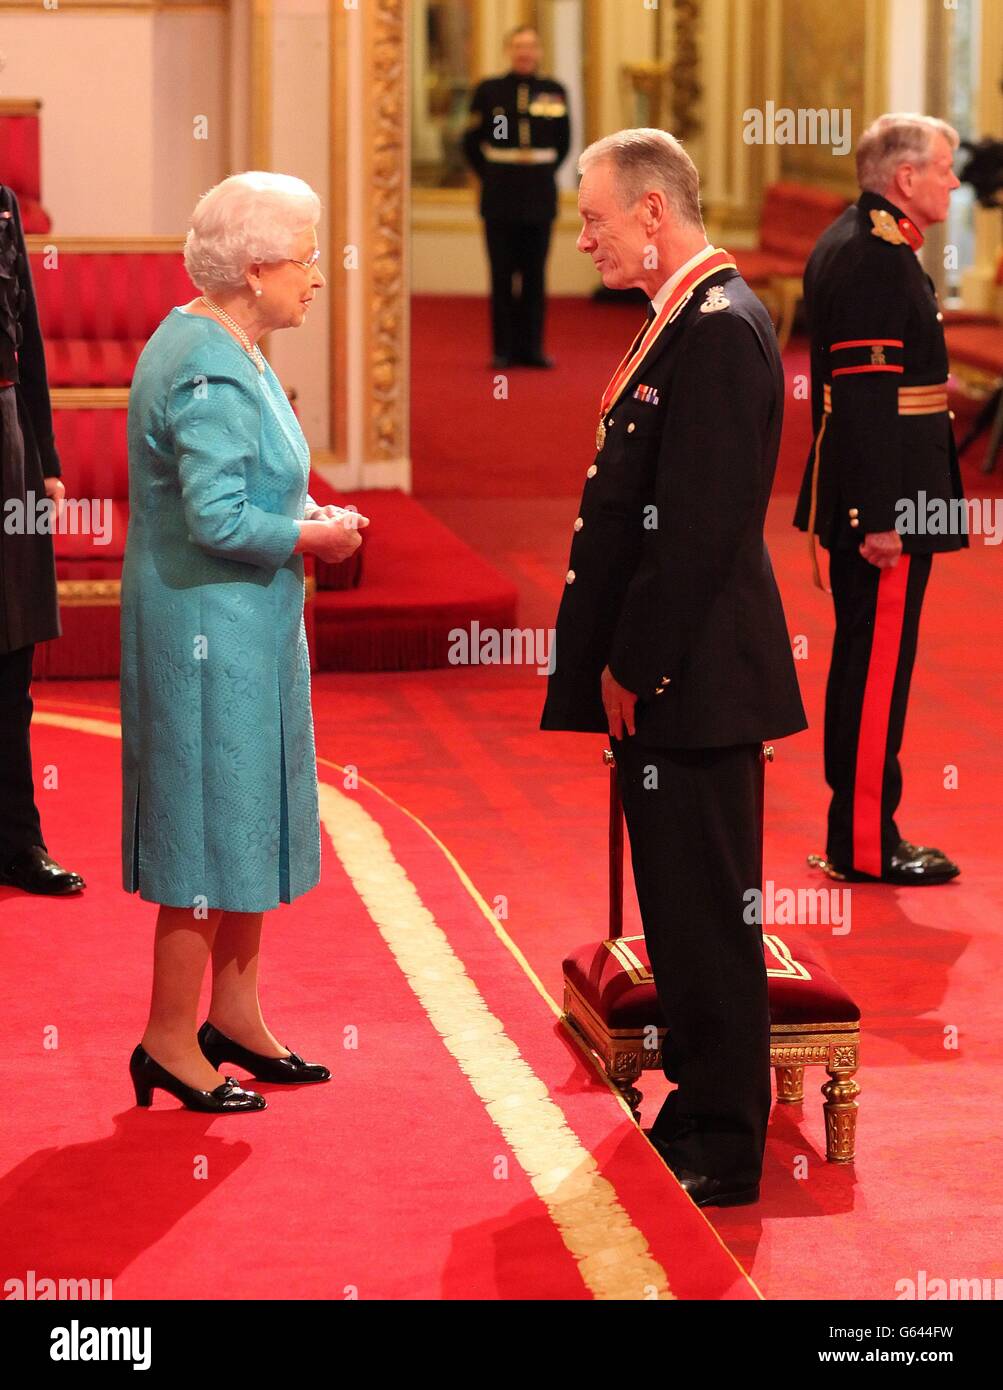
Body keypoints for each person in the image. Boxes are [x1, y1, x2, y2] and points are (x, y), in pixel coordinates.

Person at [541, 129, 806, 1208]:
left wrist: (633, 664)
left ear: (653, 212)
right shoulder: (680, 318)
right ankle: (696, 1102)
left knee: (705, 912)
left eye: (595, 218)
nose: (585, 237)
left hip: (691, 678)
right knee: (683, 907)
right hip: (675, 677)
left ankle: (723, 1136)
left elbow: (695, 530)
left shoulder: (717, 327)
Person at [122, 172, 367, 1114]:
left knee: (247, 809)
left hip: (242, 622)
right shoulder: (207, 362)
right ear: (255, 269)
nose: (315, 277)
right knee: (202, 827)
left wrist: (306, 508)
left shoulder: (234, 340)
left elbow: (256, 483)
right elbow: (219, 516)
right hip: (202, 629)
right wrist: (316, 536)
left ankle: (234, 1014)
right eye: (306, 260)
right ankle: (168, 1038)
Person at [794, 114, 965, 885]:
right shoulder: (873, 254)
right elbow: (862, 400)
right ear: (903, 179)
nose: (954, 183)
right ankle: (864, 843)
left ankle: (861, 830)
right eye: (943, 168)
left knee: (871, 665)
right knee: (874, 670)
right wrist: (881, 519)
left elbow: (882, 381)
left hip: (889, 487)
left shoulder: (866, 240)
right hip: (887, 503)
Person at [0, 183, 85, 897]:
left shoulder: (1, 204)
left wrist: (46, 459)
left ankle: (18, 842)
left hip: (5, 445)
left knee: (11, 654)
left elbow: (24, 340)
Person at [462, 25, 570, 369]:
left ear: (538, 52)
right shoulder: (489, 91)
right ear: (509, 50)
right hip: (500, 197)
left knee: (535, 275)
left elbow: (563, 141)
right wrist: (492, 173)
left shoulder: (553, 91)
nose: (525, 53)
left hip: (539, 195)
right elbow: (470, 141)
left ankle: (532, 348)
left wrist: (539, 172)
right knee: (502, 274)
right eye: (519, 46)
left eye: (531, 47)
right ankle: (503, 350)